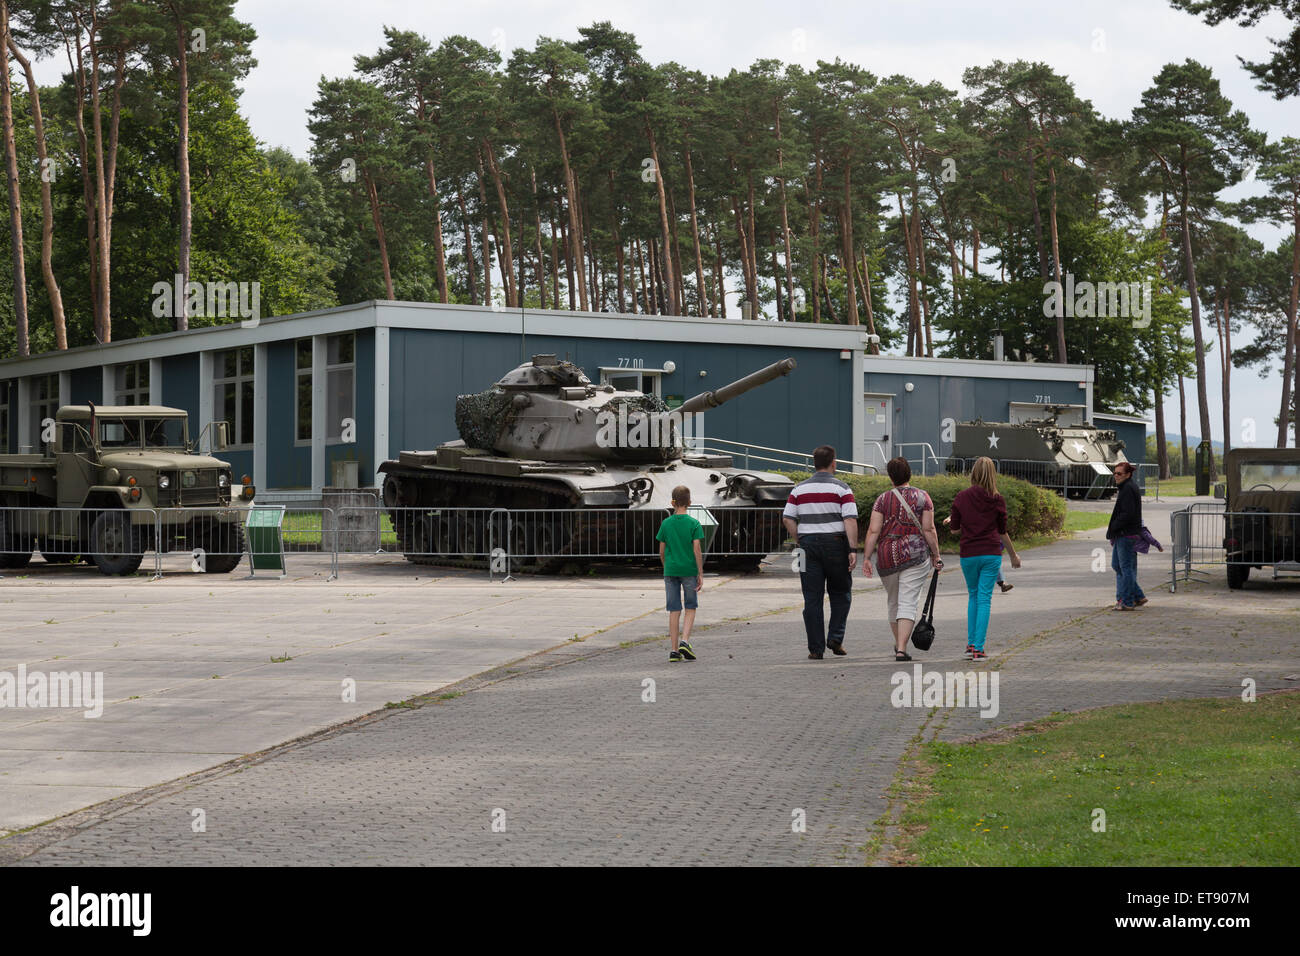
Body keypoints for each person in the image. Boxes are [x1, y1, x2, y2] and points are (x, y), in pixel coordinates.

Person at [862, 457, 943, 661]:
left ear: (890, 477)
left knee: (893, 602)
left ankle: (900, 644)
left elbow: (873, 530)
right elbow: (928, 529)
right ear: (910, 473)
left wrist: (866, 557)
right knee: (908, 601)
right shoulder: (923, 497)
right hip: (915, 555)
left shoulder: (882, 500)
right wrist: (936, 554)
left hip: (887, 555)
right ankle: (901, 648)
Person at [783, 445, 858, 659]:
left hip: (806, 548)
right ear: (833, 463)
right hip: (836, 543)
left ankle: (815, 649)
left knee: (811, 598)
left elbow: (787, 517)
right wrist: (852, 549)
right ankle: (835, 636)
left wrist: (800, 539)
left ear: (814, 464)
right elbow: (850, 519)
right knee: (841, 593)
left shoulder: (798, 490)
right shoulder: (843, 489)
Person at [948, 457, 1021, 661]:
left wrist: (969, 525)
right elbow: (1002, 531)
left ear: (973, 473)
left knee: (973, 596)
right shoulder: (997, 499)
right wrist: (1013, 555)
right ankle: (979, 647)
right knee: (984, 599)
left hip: (969, 554)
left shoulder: (962, 497)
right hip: (990, 553)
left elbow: (954, 529)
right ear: (992, 474)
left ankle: (971, 644)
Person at [656, 485, 705, 661]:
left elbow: (661, 551)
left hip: (670, 570)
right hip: (689, 570)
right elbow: (697, 548)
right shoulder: (694, 523)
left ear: (672, 502)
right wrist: (700, 572)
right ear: (690, 503)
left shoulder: (666, 523)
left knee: (674, 609)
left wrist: (666, 565)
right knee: (690, 607)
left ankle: (674, 651)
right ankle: (685, 641)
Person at [1106, 461, 1148, 611]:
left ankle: (1128, 601)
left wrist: (1115, 526)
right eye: (1115, 473)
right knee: (1118, 566)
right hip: (1124, 534)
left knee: (1125, 568)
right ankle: (1138, 596)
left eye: (1119, 473)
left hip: (1126, 534)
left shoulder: (1128, 489)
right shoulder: (1126, 487)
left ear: (1128, 474)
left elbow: (1127, 513)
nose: (1116, 476)